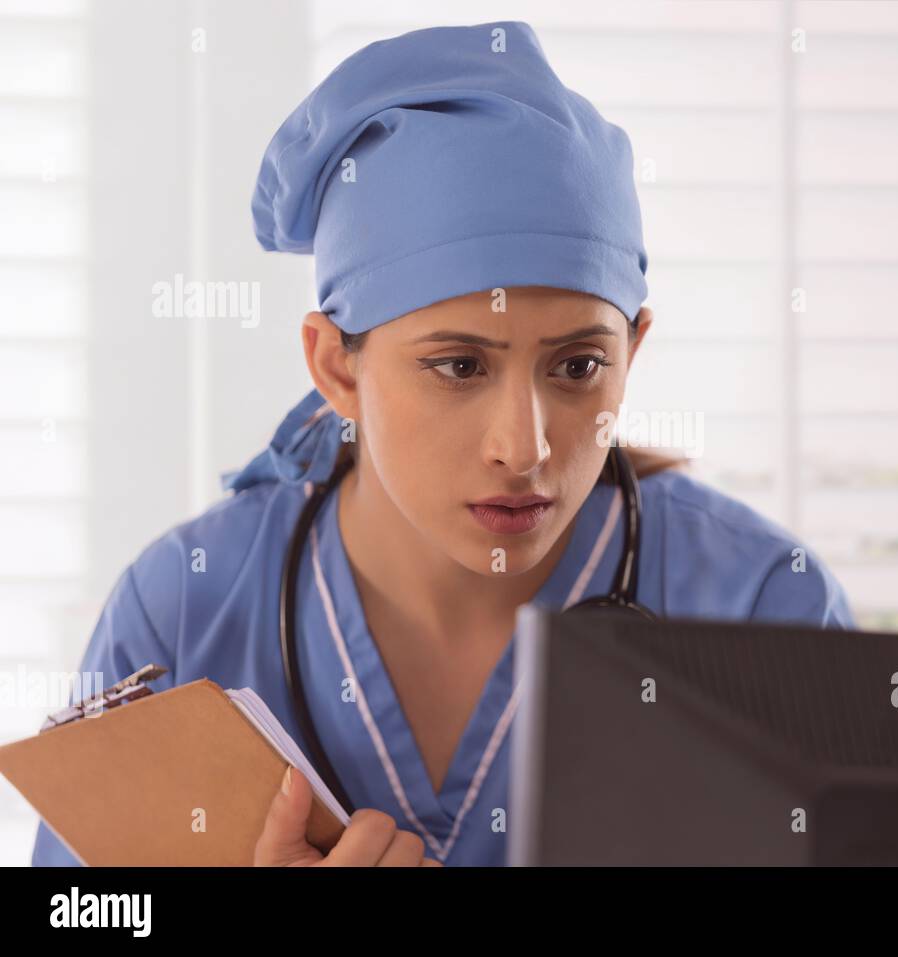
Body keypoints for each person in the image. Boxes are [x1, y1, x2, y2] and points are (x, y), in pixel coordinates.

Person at [31, 21, 853, 868]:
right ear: (335, 366)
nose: (523, 446)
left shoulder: (767, 609)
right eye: (459, 365)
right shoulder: (180, 612)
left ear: (631, 352)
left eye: (577, 365)